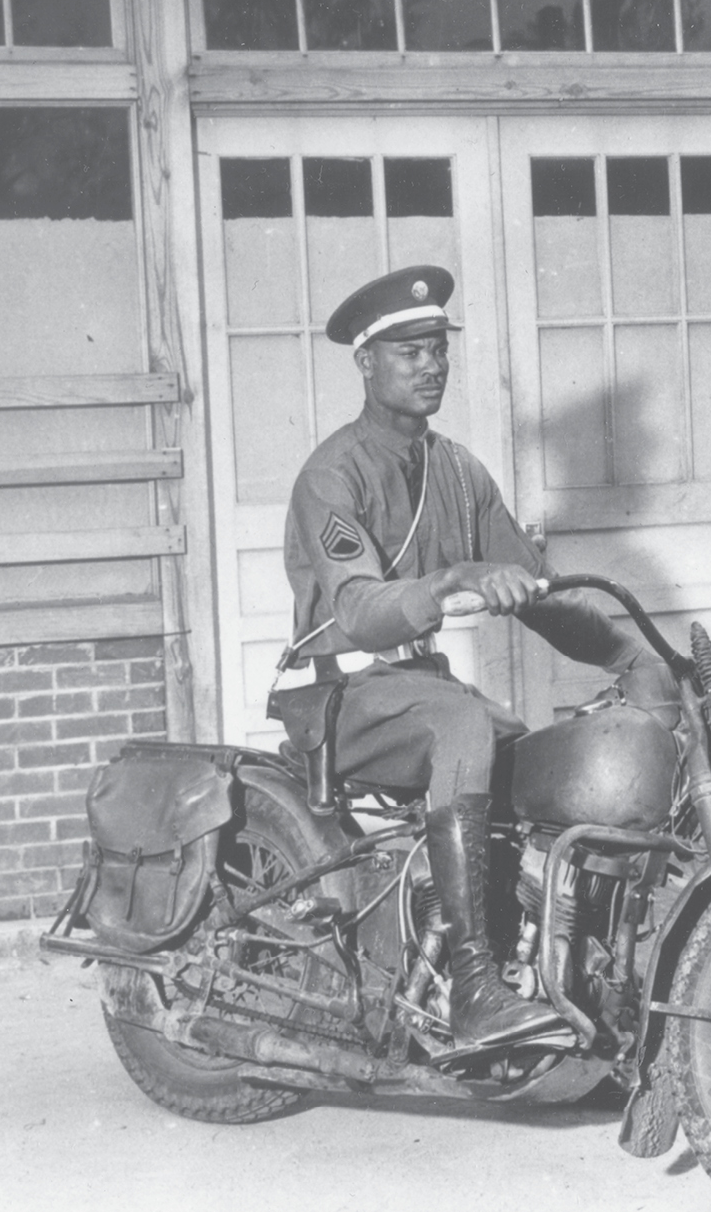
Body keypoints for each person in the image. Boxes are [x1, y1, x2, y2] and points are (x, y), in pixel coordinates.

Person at [282, 265, 659, 1051]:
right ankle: (473, 990)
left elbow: (540, 594)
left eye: (439, 348)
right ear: (366, 362)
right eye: (409, 351)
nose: (431, 365)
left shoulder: (458, 471)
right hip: (344, 694)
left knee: (536, 754)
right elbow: (358, 609)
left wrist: (633, 654)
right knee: (464, 726)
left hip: (418, 687)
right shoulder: (332, 475)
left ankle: (550, 967)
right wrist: (453, 580)